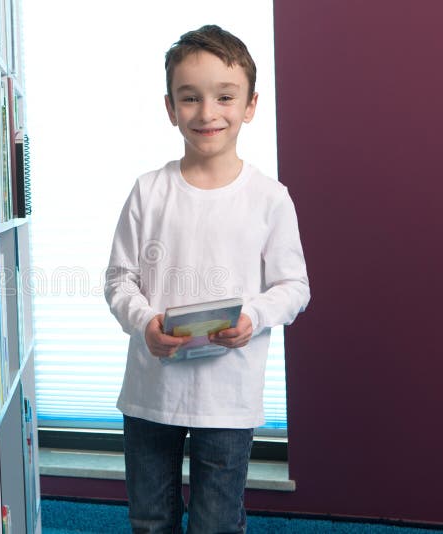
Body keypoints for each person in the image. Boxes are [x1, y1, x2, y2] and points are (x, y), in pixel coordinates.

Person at [104, 24, 310, 533]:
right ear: (171, 107)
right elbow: (119, 279)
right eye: (190, 98)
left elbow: (294, 286)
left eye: (224, 97)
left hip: (229, 394)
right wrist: (146, 322)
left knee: (217, 520)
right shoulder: (149, 191)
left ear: (250, 105)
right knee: (151, 518)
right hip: (151, 390)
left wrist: (253, 317)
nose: (207, 112)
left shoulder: (269, 197)